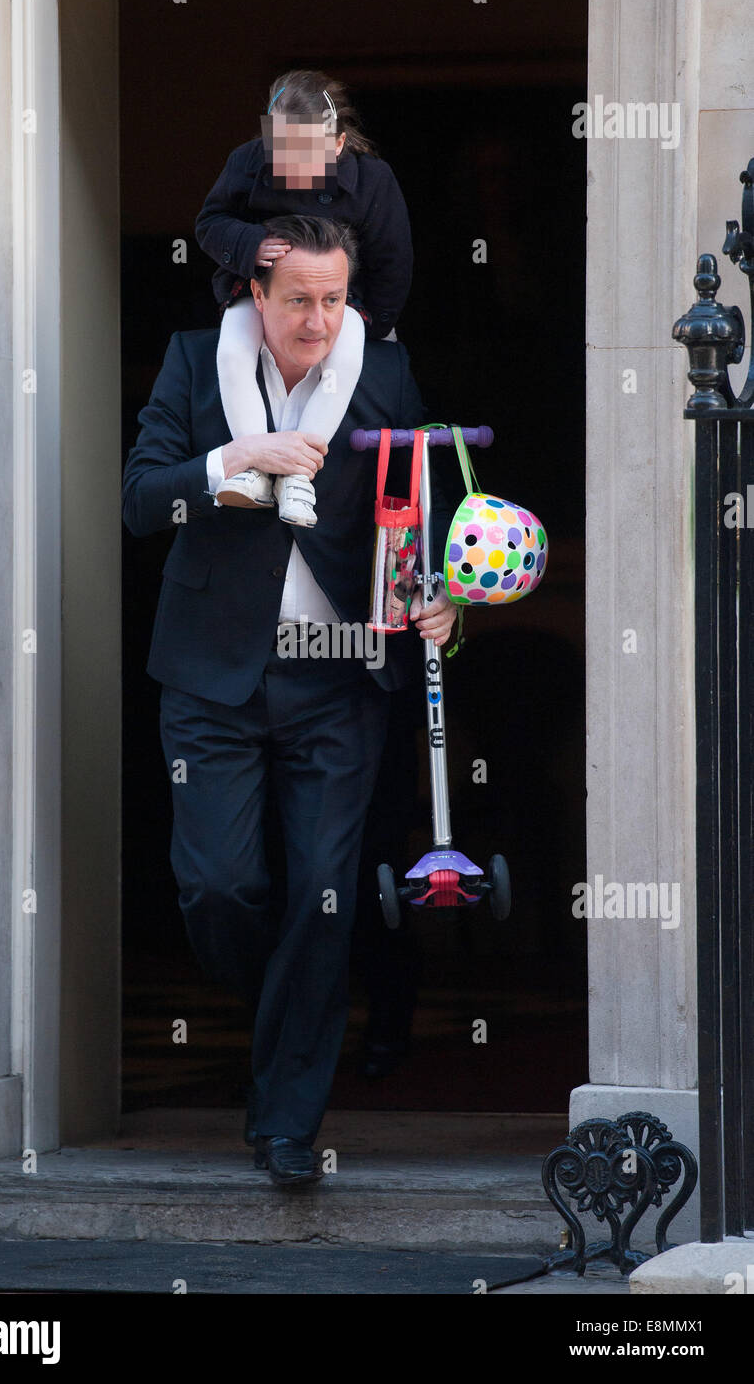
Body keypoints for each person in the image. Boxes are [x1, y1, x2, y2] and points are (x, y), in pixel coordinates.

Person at [122, 214, 456, 1188]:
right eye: (298, 299)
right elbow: (142, 498)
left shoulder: (383, 375)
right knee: (220, 888)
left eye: (332, 298)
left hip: (336, 673)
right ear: (252, 297)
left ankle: (283, 1127)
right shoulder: (194, 366)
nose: (317, 320)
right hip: (208, 674)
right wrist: (231, 465)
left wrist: (436, 592)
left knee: (324, 894)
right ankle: (289, 990)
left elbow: (419, 508)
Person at [195, 69, 413, 529]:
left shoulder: (373, 179)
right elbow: (210, 223)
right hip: (255, 290)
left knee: (348, 355)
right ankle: (253, 466)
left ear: (337, 145)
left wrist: (370, 320)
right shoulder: (246, 161)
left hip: (342, 301)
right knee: (232, 351)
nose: (291, 168)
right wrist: (249, 245)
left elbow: (393, 259)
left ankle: (297, 472)